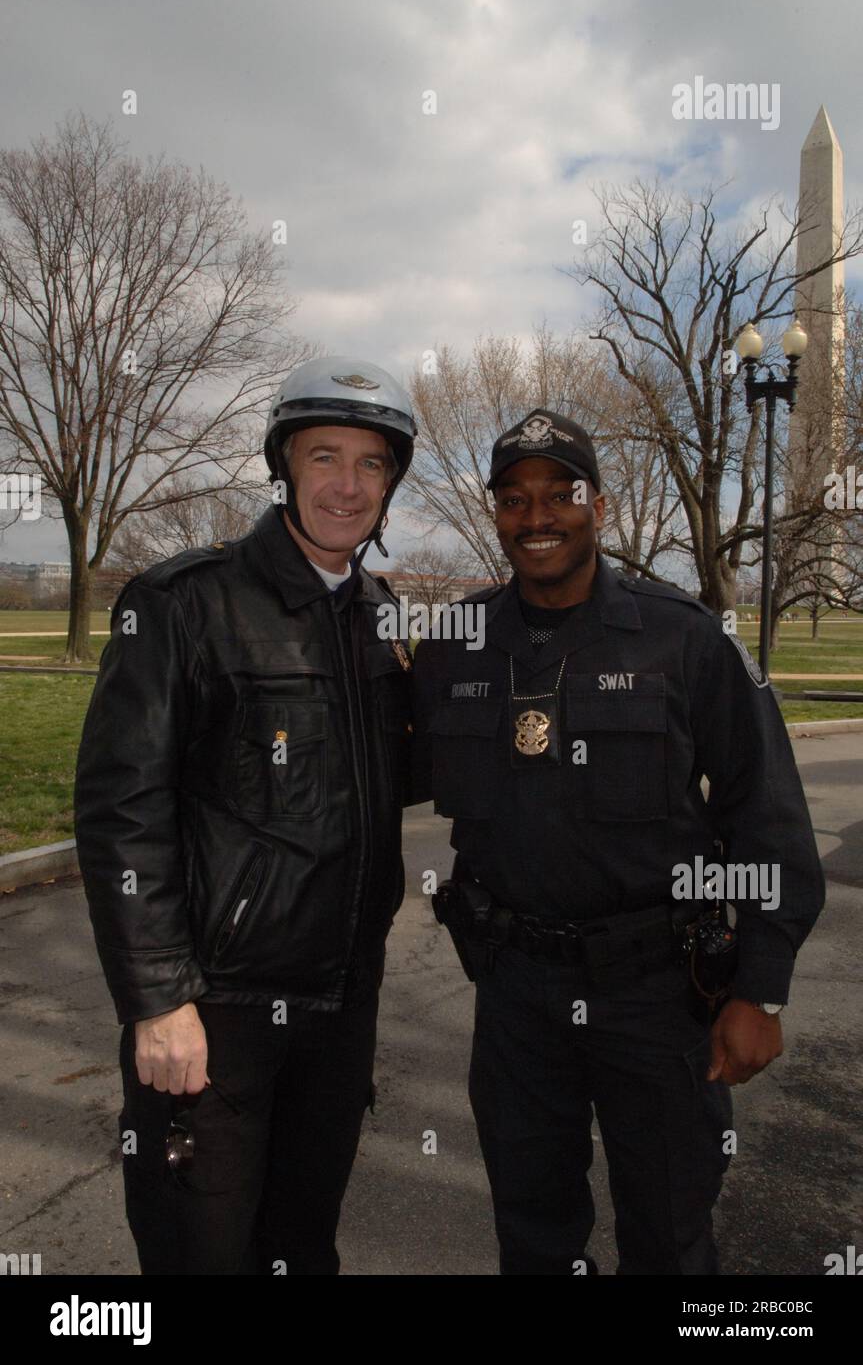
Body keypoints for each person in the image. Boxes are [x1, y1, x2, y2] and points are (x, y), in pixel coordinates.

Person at [411, 408, 825, 1276]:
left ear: (596, 503)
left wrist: (762, 990)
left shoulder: (683, 637)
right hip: (516, 993)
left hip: (656, 993)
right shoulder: (456, 648)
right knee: (531, 1231)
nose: (537, 517)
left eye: (559, 494)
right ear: (494, 512)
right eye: (514, 499)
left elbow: (768, 817)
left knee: (670, 1235)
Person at [75, 357, 417, 1275]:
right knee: (201, 1254)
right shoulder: (186, 603)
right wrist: (157, 1002)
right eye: (324, 456)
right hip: (213, 1013)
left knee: (301, 1249)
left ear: (392, 481)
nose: (348, 485)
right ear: (284, 466)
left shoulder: (382, 621)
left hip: (337, 1012)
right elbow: (120, 813)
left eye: (371, 464)